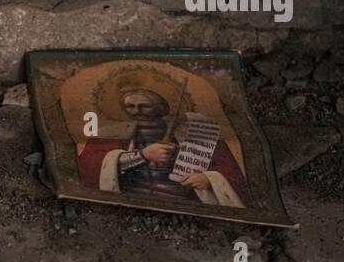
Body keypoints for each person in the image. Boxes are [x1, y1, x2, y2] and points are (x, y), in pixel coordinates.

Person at [77, 87, 247, 207]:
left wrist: (208, 179)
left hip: (184, 205)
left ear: (161, 107)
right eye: (130, 106)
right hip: (132, 201)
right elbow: (89, 164)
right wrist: (143, 156)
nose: (137, 111)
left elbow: (230, 171)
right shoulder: (112, 133)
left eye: (145, 106)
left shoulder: (198, 132)